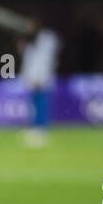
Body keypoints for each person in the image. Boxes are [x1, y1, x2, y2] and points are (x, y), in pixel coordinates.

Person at [20, 18, 59, 147]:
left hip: (42, 77)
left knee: (42, 104)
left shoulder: (47, 39)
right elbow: (28, 59)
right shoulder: (31, 41)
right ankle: (35, 129)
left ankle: (41, 130)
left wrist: (40, 77)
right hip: (32, 78)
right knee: (34, 104)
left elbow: (45, 60)